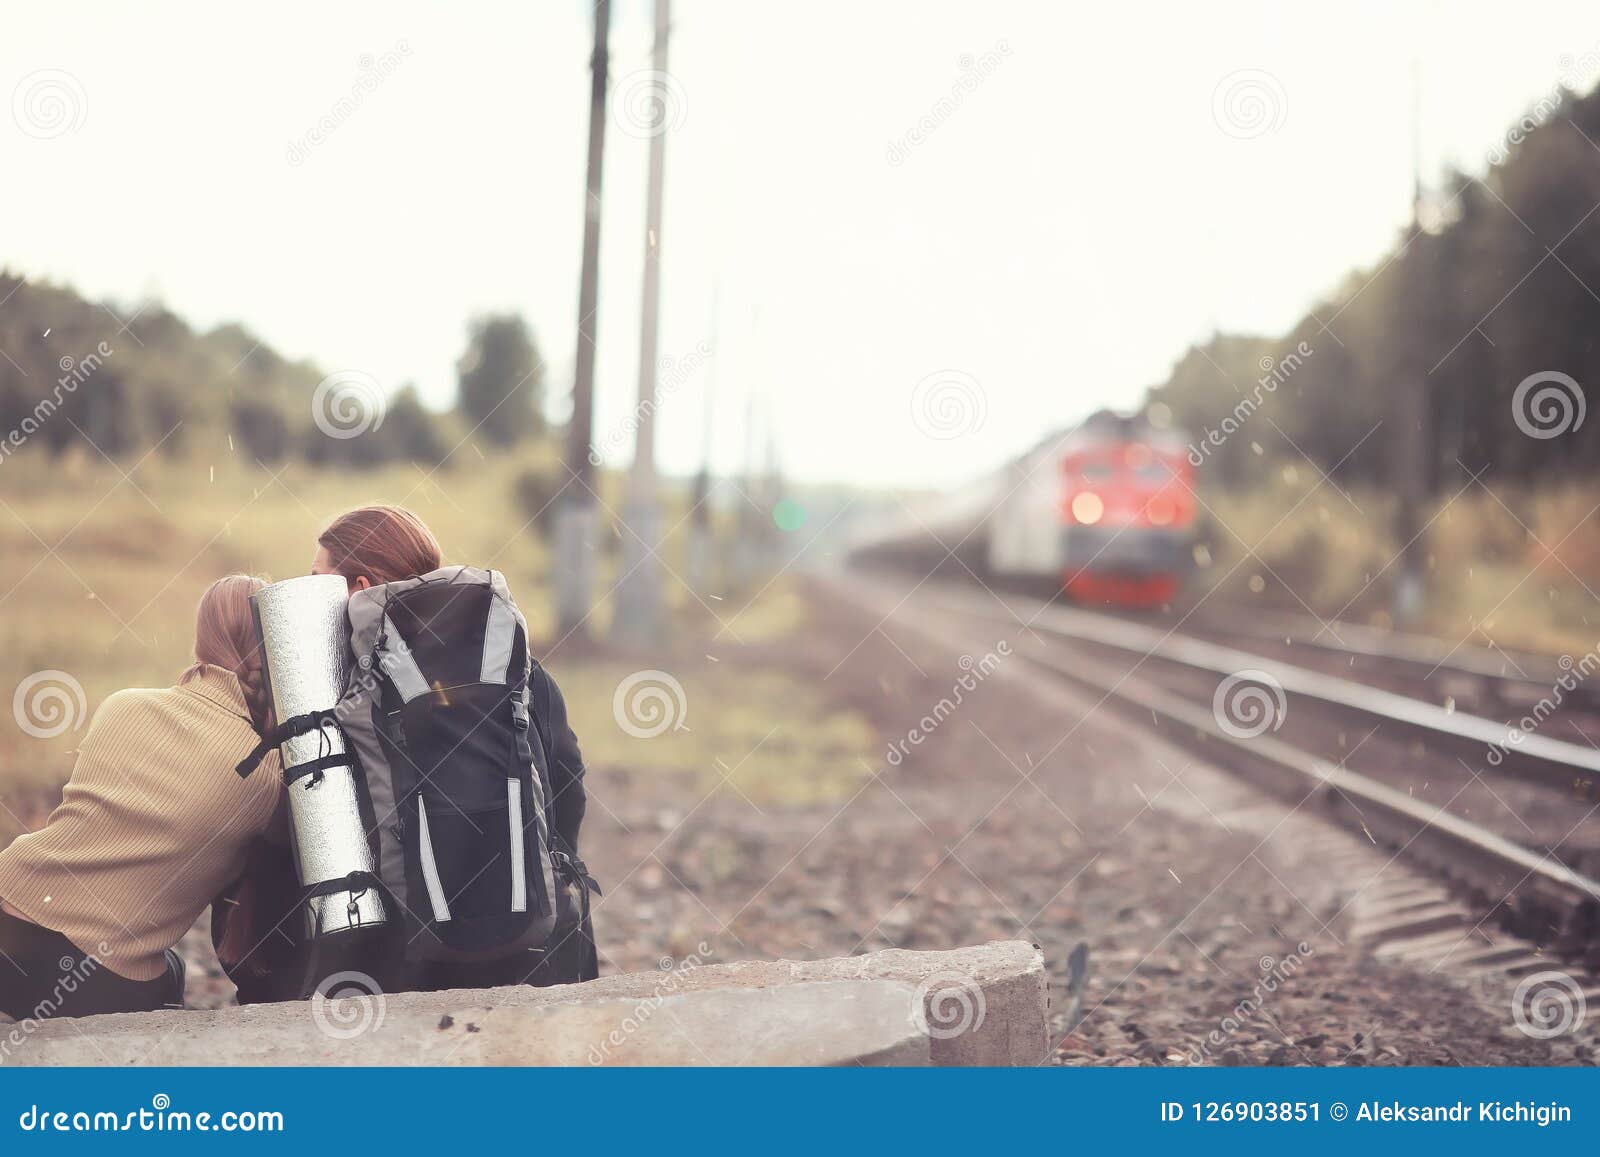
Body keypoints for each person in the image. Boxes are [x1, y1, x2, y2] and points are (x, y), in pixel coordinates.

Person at [310, 504, 592, 990]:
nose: (312, 595)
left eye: (318, 580)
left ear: (358, 588)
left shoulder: (346, 688)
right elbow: (569, 782)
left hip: (398, 962)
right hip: (531, 946)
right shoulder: (511, 665)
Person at [0, 576, 284, 1022]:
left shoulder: (123, 705)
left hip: (10, 911)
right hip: (95, 977)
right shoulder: (267, 779)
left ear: (201, 640)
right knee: (171, 971)